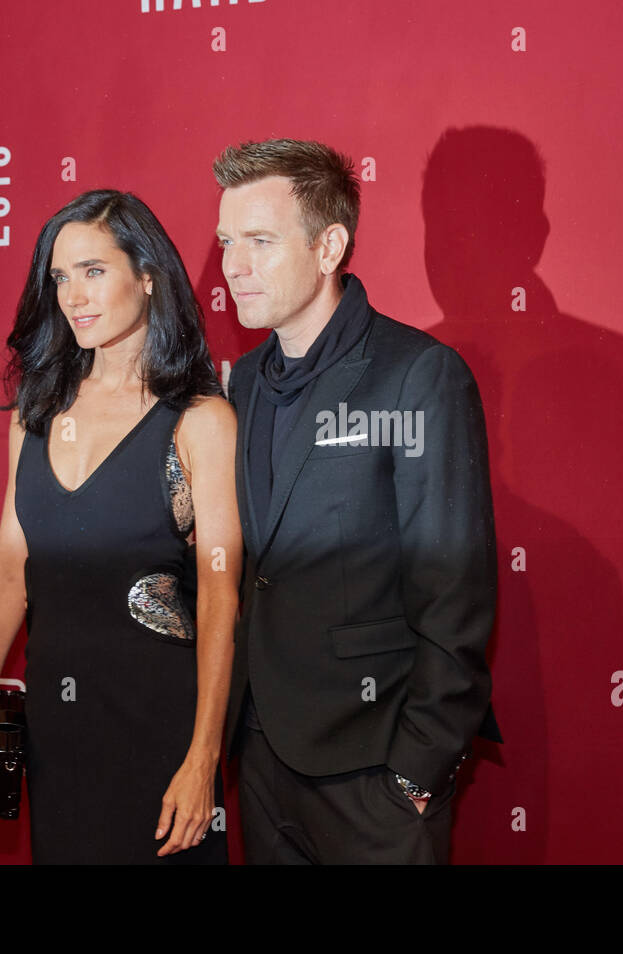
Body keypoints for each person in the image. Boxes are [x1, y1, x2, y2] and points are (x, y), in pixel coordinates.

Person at [213, 139, 501, 864]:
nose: (233, 267)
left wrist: (415, 769)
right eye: (226, 243)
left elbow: (455, 590)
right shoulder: (241, 383)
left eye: (258, 241)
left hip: (375, 774)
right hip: (263, 758)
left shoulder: (418, 377)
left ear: (328, 245)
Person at [0, 189, 242, 864]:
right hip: (61, 736)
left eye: (94, 271)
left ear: (147, 275)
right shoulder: (35, 411)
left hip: (161, 733)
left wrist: (204, 756)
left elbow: (222, 594)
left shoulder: (200, 421)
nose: (73, 296)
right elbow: (9, 564)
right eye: (60, 277)